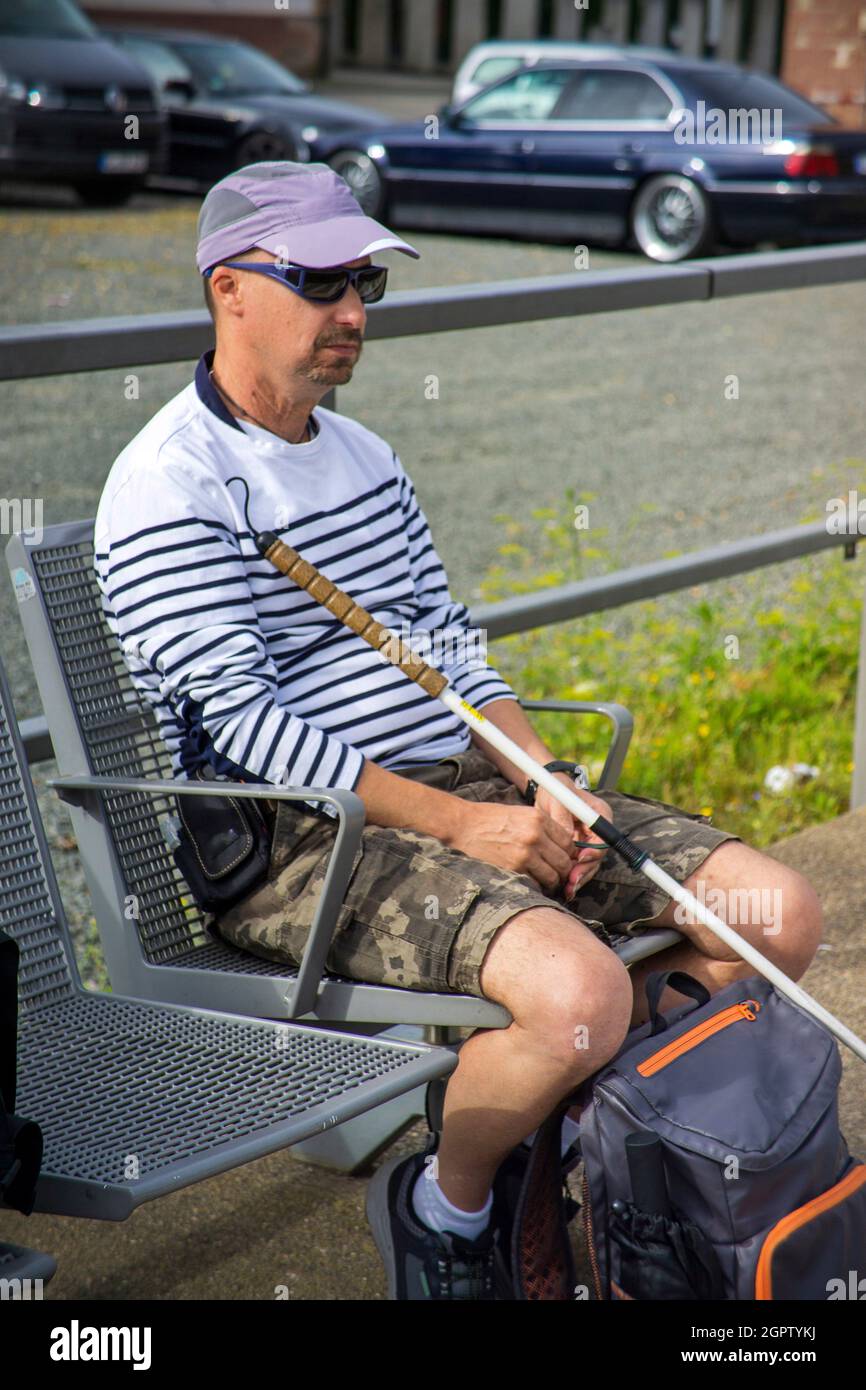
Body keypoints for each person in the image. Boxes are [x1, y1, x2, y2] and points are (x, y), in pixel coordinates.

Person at [94, 160, 823, 1301]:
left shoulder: (367, 458)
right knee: (577, 1000)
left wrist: (541, 786)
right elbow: (242, 725)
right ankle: (450, 1204)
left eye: (363, 286)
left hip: (461, 790)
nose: (351, 312)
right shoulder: (168, 487)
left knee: (774, 916)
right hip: (301, 840)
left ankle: (546, 1111)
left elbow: (452, 649)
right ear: (229, 287)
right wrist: (469, 832)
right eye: (320, 280)